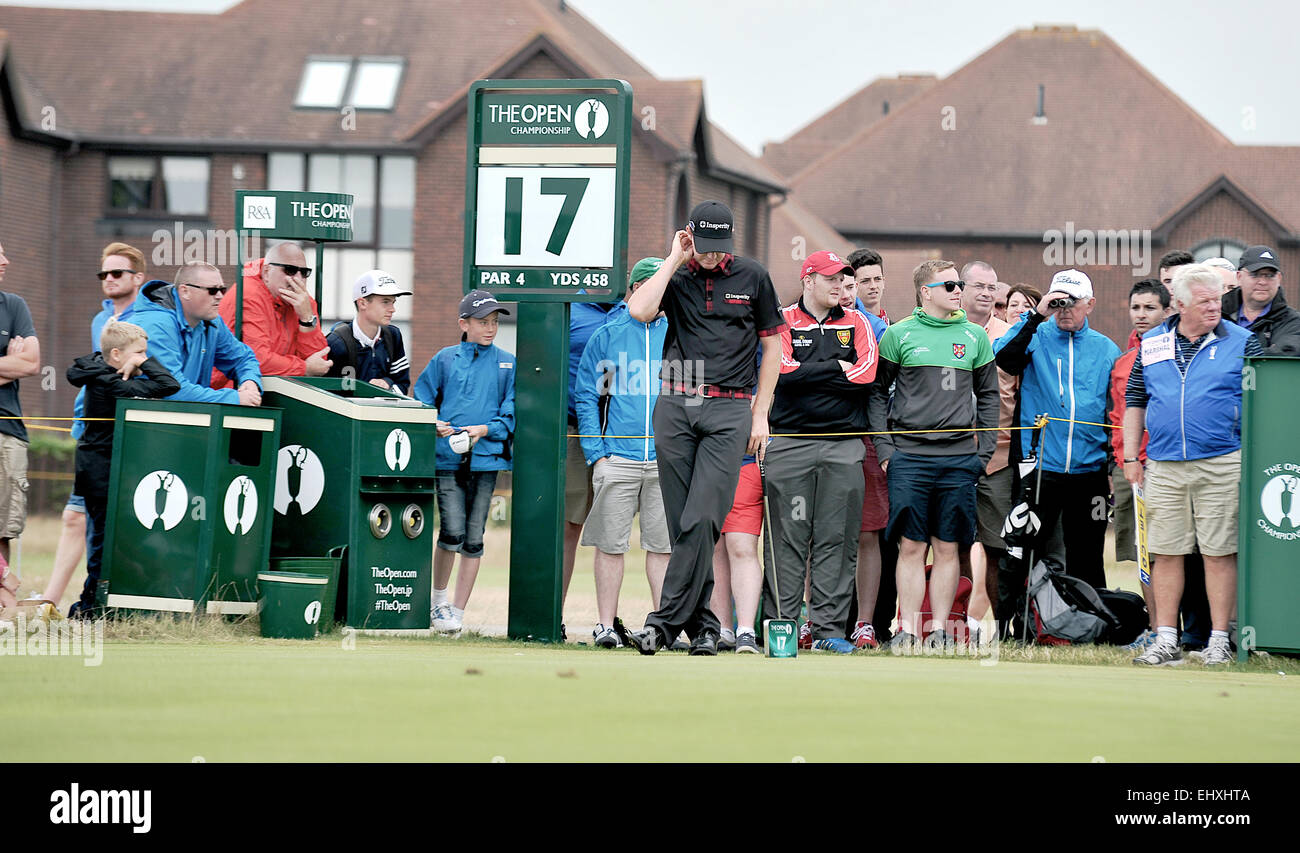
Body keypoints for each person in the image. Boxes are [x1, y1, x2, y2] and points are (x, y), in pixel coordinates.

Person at [623, 201, 784, 656]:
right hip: (675, 405)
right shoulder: (676, 276)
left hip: (730, 410)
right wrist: (674, 258)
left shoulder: (753, 276)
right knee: (683, 525)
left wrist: (761, 412)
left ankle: (661, 624)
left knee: (704, 517)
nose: (712, 257)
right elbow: (639, 311)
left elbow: (772, 348)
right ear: (690, 235)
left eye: (719, 248)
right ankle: (707, 627)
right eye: (704, 247)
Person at [1124, 265, 1263, 666]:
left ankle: (1220, 640)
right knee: (1165, 552)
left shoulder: (1243, 342)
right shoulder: (1152, 342)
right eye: (1204, 301)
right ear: (1180, 304)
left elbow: (1261, 404)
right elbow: (1136, 400)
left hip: (1222, 462)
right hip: (1164, 465)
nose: (1213, 307)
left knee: (1220, 553)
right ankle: (1166, 638)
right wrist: (1132, 457)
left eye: (1217, 300)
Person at [867, 259, 999, 650]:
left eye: (959, 283)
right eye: (950, 285)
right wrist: (886, 449)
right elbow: (876, 393)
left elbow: (990, 396)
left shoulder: (975, 336)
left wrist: (984, 451)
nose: (958, 290)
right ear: (926, 293)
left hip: (960, 458)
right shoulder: (898, 334)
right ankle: (906, 629)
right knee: (910, 545)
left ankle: (938, 630)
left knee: (948, 546)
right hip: (908, 455)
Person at [764, 251, 877, 654]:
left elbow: (865, 375)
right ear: (807, 279)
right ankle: (783, 628)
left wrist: (815, 372)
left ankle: (829, 629)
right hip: (790, 444)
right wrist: (835, 367)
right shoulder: (782, 320)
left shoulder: (858, 321)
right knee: (788, 539)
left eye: (842, 278)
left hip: (844, 447)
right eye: (829, 278)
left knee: (837, 539)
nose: (838, 285)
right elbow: (783, 373)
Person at [994, 270, 1119, 609]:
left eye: (1072, 302)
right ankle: (1013, 624)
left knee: (1088, 552)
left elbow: (1114, 414)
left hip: (1088, 468)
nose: (1064, 309)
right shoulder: (1035, 335)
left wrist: (1110, 463)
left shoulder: (1107, 349)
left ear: (1090, 305)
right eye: (1058, 301)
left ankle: (1092, 621)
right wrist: (1037, 315)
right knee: (1022, 545)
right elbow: (1004, 359)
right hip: (1039, 465)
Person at [39, 242, 146, 616]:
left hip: (124, 437)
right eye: (104, 274)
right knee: (78, 517)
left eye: (117, 273)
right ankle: (55, 600)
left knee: (94, 520)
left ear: (138, 278)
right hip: (90, 433)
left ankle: (93, 602)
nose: (109, 279)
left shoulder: (148, 317)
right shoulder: (100, 321)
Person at [573, 258, 671, 648]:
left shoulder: (679, 333)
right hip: (619, 457)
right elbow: (589, 396)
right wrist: (597, 453)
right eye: (648, 289)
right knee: (611, 544)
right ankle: (605, 625)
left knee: (662, 547)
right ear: (633, 290)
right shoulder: (610, 333)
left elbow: (691, 396)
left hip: (665, 460)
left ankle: (662, 627)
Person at [413, 290, 515, 635]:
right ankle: (437, 603)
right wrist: (435, 423)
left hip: (486, 460)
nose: (490, 328)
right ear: (464, 324)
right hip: (446, 459)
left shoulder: (507, 363)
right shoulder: (444, 359)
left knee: (474, 537)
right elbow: (422, 400)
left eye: (495, 322)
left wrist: (484, 429)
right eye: (483, 322)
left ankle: (456, 612)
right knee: (452, 530)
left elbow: (511, 415)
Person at [66, 322, 180, 618]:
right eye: (139, 352)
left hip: (111, 469)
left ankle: (107, 600)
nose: (143, 357)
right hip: (100, 472)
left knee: (116, 537)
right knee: (105, 539)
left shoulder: (108, 372)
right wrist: (146, 364)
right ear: (116, 354)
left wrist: (139, 360)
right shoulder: (109, 382)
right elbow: (169, 384)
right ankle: (92, 605)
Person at [1108, 279, 1171, 650]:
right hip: (1128, 470)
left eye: (1150, 308)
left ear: (1167, 311)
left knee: (1173, 552)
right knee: (1143, 553)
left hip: (1166, 465)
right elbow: (1116, 417)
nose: (1142, 315)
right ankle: (1155, 627)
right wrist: (1122, 461)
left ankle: (1184, 630)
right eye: (1136, 308)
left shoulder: (1174, 352)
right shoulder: (1122, 362)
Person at [960, 261, 1018, 636]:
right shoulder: (943, 330)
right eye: (978, 286)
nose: (986, 293)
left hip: (998, 458)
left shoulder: (1010, 336)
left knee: (997, 548)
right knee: (952, 544)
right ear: (959, 289)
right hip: (950, 456)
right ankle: (957, 622)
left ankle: (1000, 627)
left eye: (992, 287)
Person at [560, 292, 618, 639]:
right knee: (569, 525)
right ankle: (554, 616)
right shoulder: (570, 308)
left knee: (615, 530)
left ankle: (607, 625)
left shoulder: (631, 311)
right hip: (574, 429)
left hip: (623, 432)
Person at [842, 253, 892, 649]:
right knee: (818, 535)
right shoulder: (814, 320)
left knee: (869, 533)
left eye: (877, 278)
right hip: (825, 437)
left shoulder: (885, 328)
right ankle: (818, 620)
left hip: (872, 441)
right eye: (863, 280)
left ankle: (867, 623)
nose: (870, 286)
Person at [131, 262, 263, 405]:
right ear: (184, 291)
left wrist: (250, 381)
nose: (219, 296)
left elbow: (242, 358)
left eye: (222, 290)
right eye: (212, 290)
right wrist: (235, 398)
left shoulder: (211, 321)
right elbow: (172, 390)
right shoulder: (156, 325)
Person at [215, 242, 331, 383]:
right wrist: (304, 368)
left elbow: (319, 362)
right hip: (231, 391)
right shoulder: (249, 294)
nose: (298, 279)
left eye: (304, 273)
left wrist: (306, 320)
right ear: (266, 272)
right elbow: (258, 360)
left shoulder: (303, 302)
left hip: (276, 390)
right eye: (290, 270)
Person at [0, 241, 43, 565]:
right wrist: (6, 365)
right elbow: (18, 364)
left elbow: (31, 364)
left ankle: (3, 601)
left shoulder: (13, 305)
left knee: (3, 527)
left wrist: (19, 364)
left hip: (8, 429)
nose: (6, 260)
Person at [325, 269, 412, 394]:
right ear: (362, 303)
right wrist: (366, 391)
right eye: (386, 302)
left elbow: (402, 383)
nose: (393, 309)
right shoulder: (336, 343)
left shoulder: (393, 337)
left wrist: (387, 383)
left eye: (393, 302)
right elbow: (328, 395)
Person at [1222, 245, 1300, 355]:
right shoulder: (1216, 314)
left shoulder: (1293, 322)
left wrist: (1226, 354)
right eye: (1255, 274)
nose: (1263, 282)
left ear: (1279, 279)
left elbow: (1285, 355)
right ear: (1239, 277)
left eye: (1269, 275)